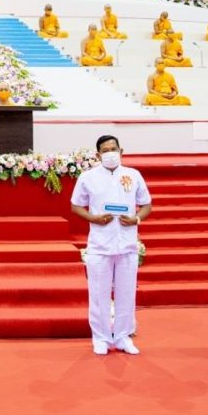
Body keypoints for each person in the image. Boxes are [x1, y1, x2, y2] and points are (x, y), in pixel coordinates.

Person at [71, 135, 152, 355]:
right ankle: (101, 337)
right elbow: (76, 205)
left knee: (127, 292)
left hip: (127, 243)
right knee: (99, 293)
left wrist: (136, 219)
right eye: (105, 150)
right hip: (99, 244)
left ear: (121, 150)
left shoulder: (133, 175)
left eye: (113, 148)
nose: (110, 153)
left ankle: (124, 336)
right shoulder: (88, 177)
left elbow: (146, 204)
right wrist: (93, 218)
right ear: (98, 155)